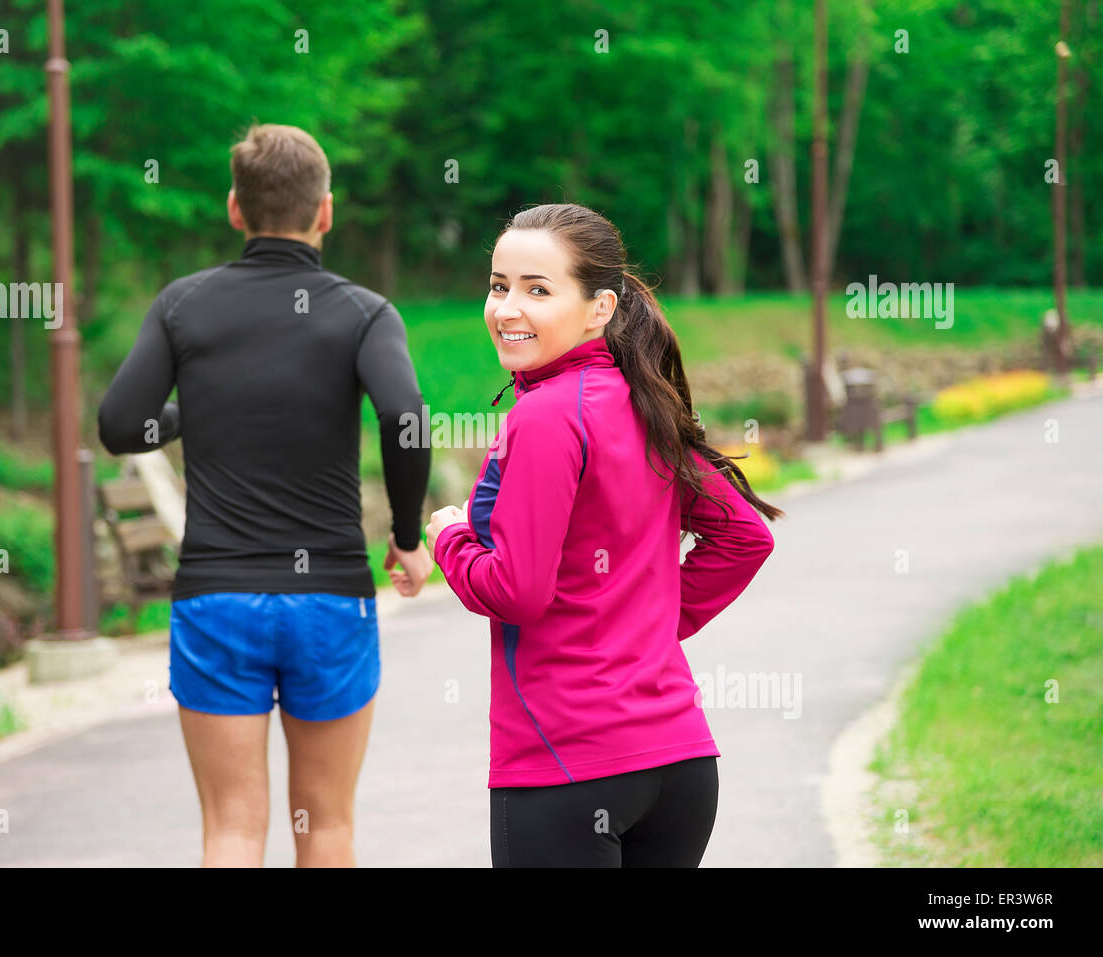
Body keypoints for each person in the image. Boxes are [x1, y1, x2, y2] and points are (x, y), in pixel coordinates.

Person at [97, 122, 432, 867]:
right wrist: (407, 537)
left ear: (234, 209)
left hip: (218, 594)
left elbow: (121, 423)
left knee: (232, 829)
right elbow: (405, 417)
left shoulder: (185, 305)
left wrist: (193, 412)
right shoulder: (364, 312)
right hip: (331, 600)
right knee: (328, 826)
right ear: (327, 212)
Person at [426, 203, 783, 867]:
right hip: (679, 767)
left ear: (598, 308)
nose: (507, 308)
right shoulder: (644, 398)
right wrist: (641, 620)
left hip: (566, 766)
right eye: (499, 285)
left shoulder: (543, 418)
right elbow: (743, 534)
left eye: (537, 289)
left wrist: (448, 538)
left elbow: (517, 590)